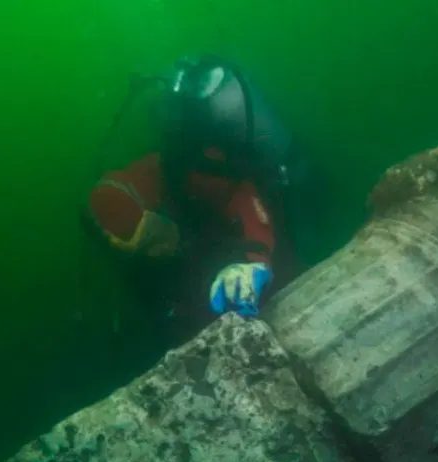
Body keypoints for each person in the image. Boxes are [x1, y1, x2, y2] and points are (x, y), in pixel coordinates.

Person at [85, 56, 307, 339]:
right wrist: (144, 231)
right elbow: (109, 194)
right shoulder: (165, 168)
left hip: (263, 271)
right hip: (206, 290)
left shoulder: (208, 168)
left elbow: (248, 203)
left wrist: (254, 264)